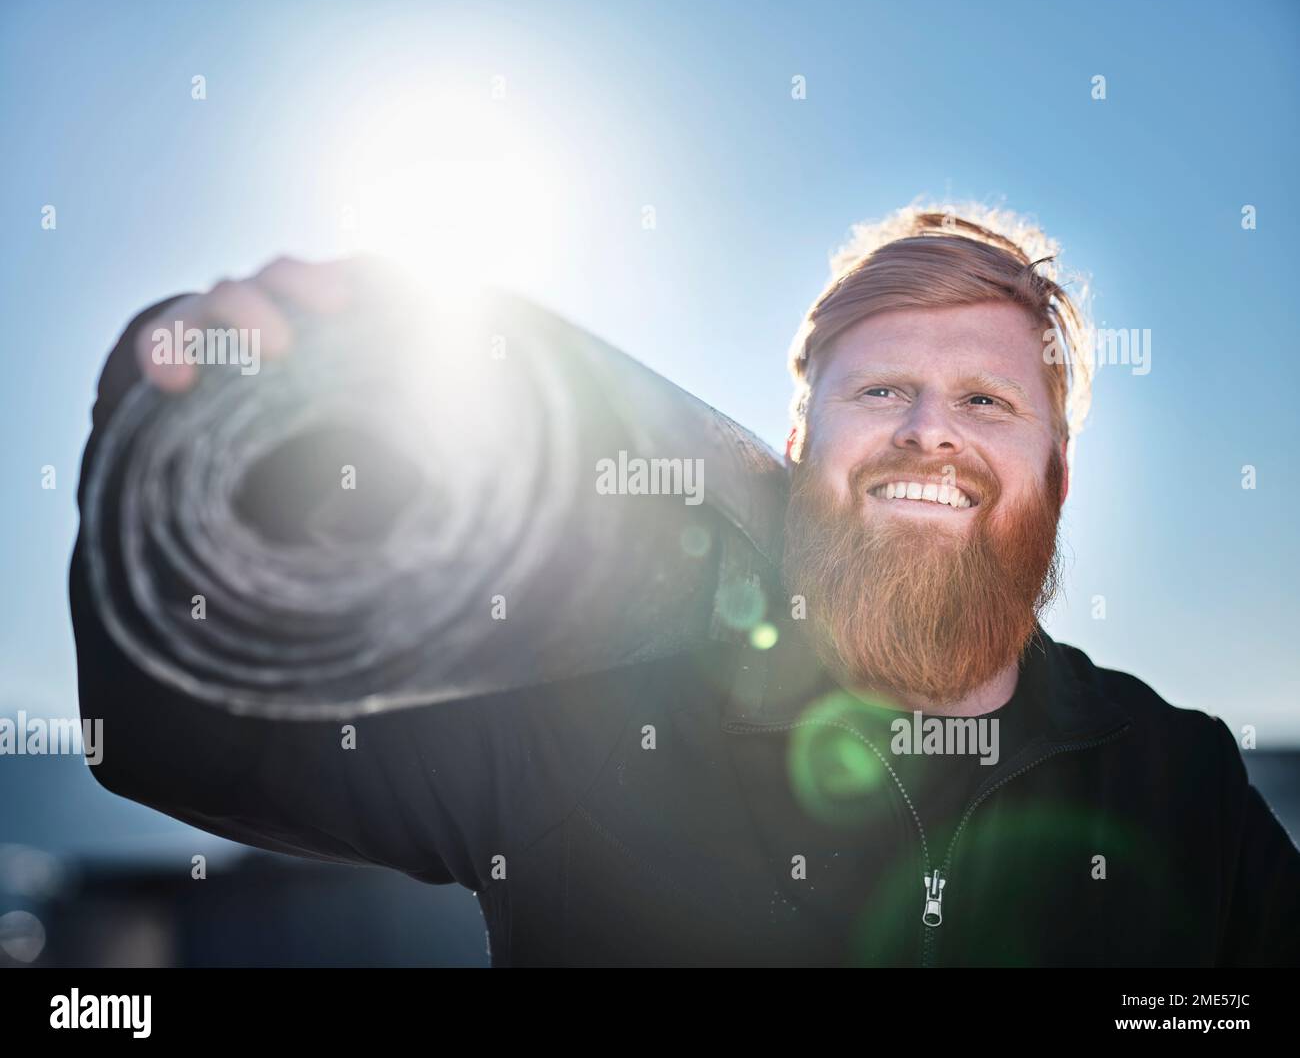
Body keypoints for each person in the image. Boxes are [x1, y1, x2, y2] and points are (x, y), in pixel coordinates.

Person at [69, 205, 1300, 966]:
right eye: (879, 393)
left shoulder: (1178, 782)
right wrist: (181, 391)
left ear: (1058, 473)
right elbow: (173, 736)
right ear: (802, 447)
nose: (930, 432)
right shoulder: (595, 719)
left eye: (985, 400)